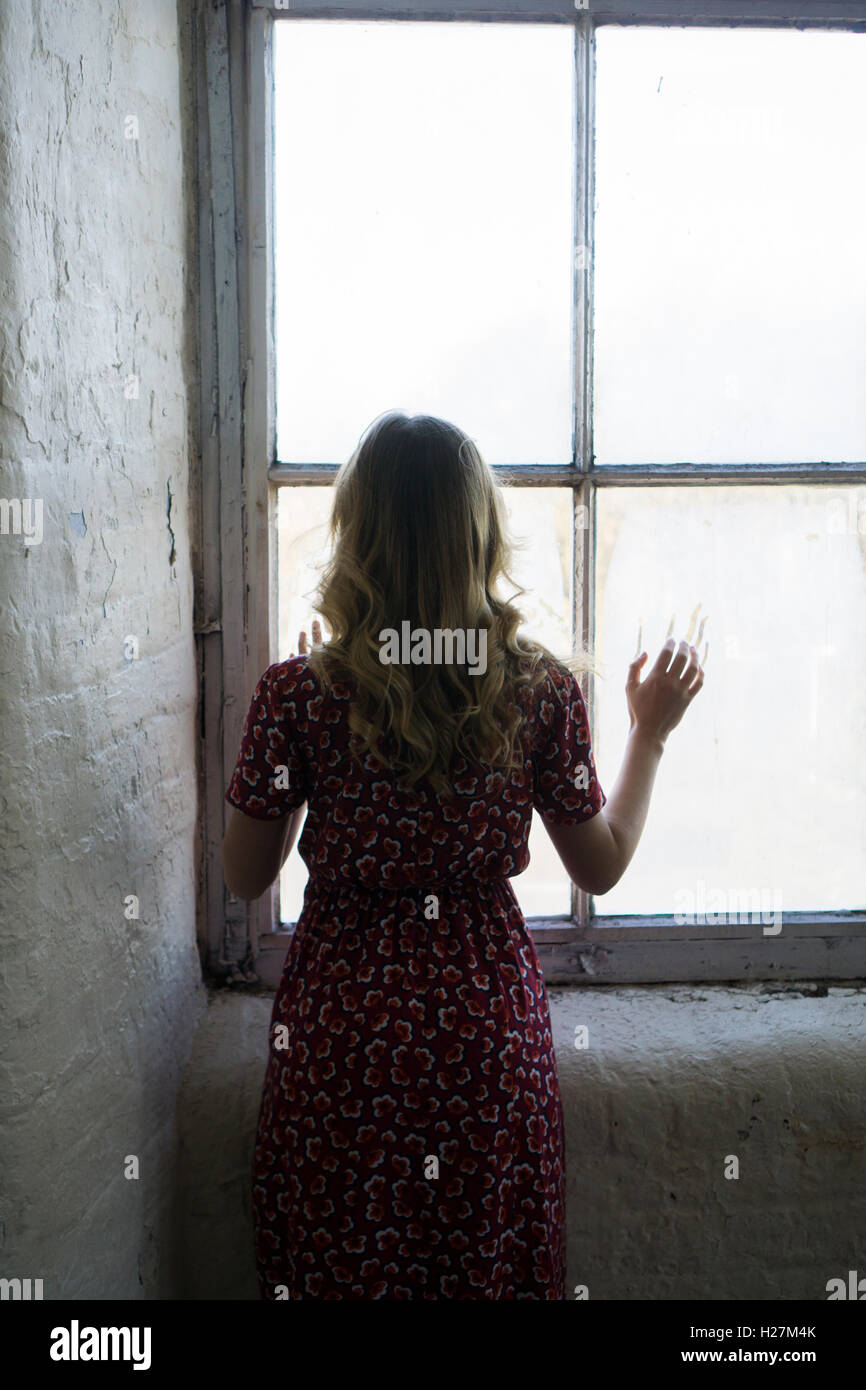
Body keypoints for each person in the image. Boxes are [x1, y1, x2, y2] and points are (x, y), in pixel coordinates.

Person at [222, 410, 705, 1300]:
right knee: (481, 1268)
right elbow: (600, 865)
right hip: (483, 1040)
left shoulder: (298, 693)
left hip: (343, 1041)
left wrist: (297, 745)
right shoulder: (539, 689)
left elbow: (247, 874)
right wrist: (649, 736)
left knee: (343, 1266)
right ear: (478, 535)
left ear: (354, 535)